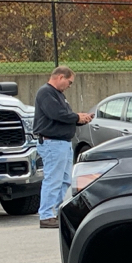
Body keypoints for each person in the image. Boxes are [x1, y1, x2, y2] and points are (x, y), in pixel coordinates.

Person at [32, 66, 93, 228]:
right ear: (60, 77)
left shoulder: (58, 95)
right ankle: (46, 214)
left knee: (65, 180)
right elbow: (56, 114)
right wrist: (76, 117)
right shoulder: (46, 93)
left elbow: (63, 116)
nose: (69, 86)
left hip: (63, 143)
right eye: (69, 82)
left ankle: (57, 212)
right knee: (53, 179)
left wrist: (79, 118)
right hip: (52, 142)